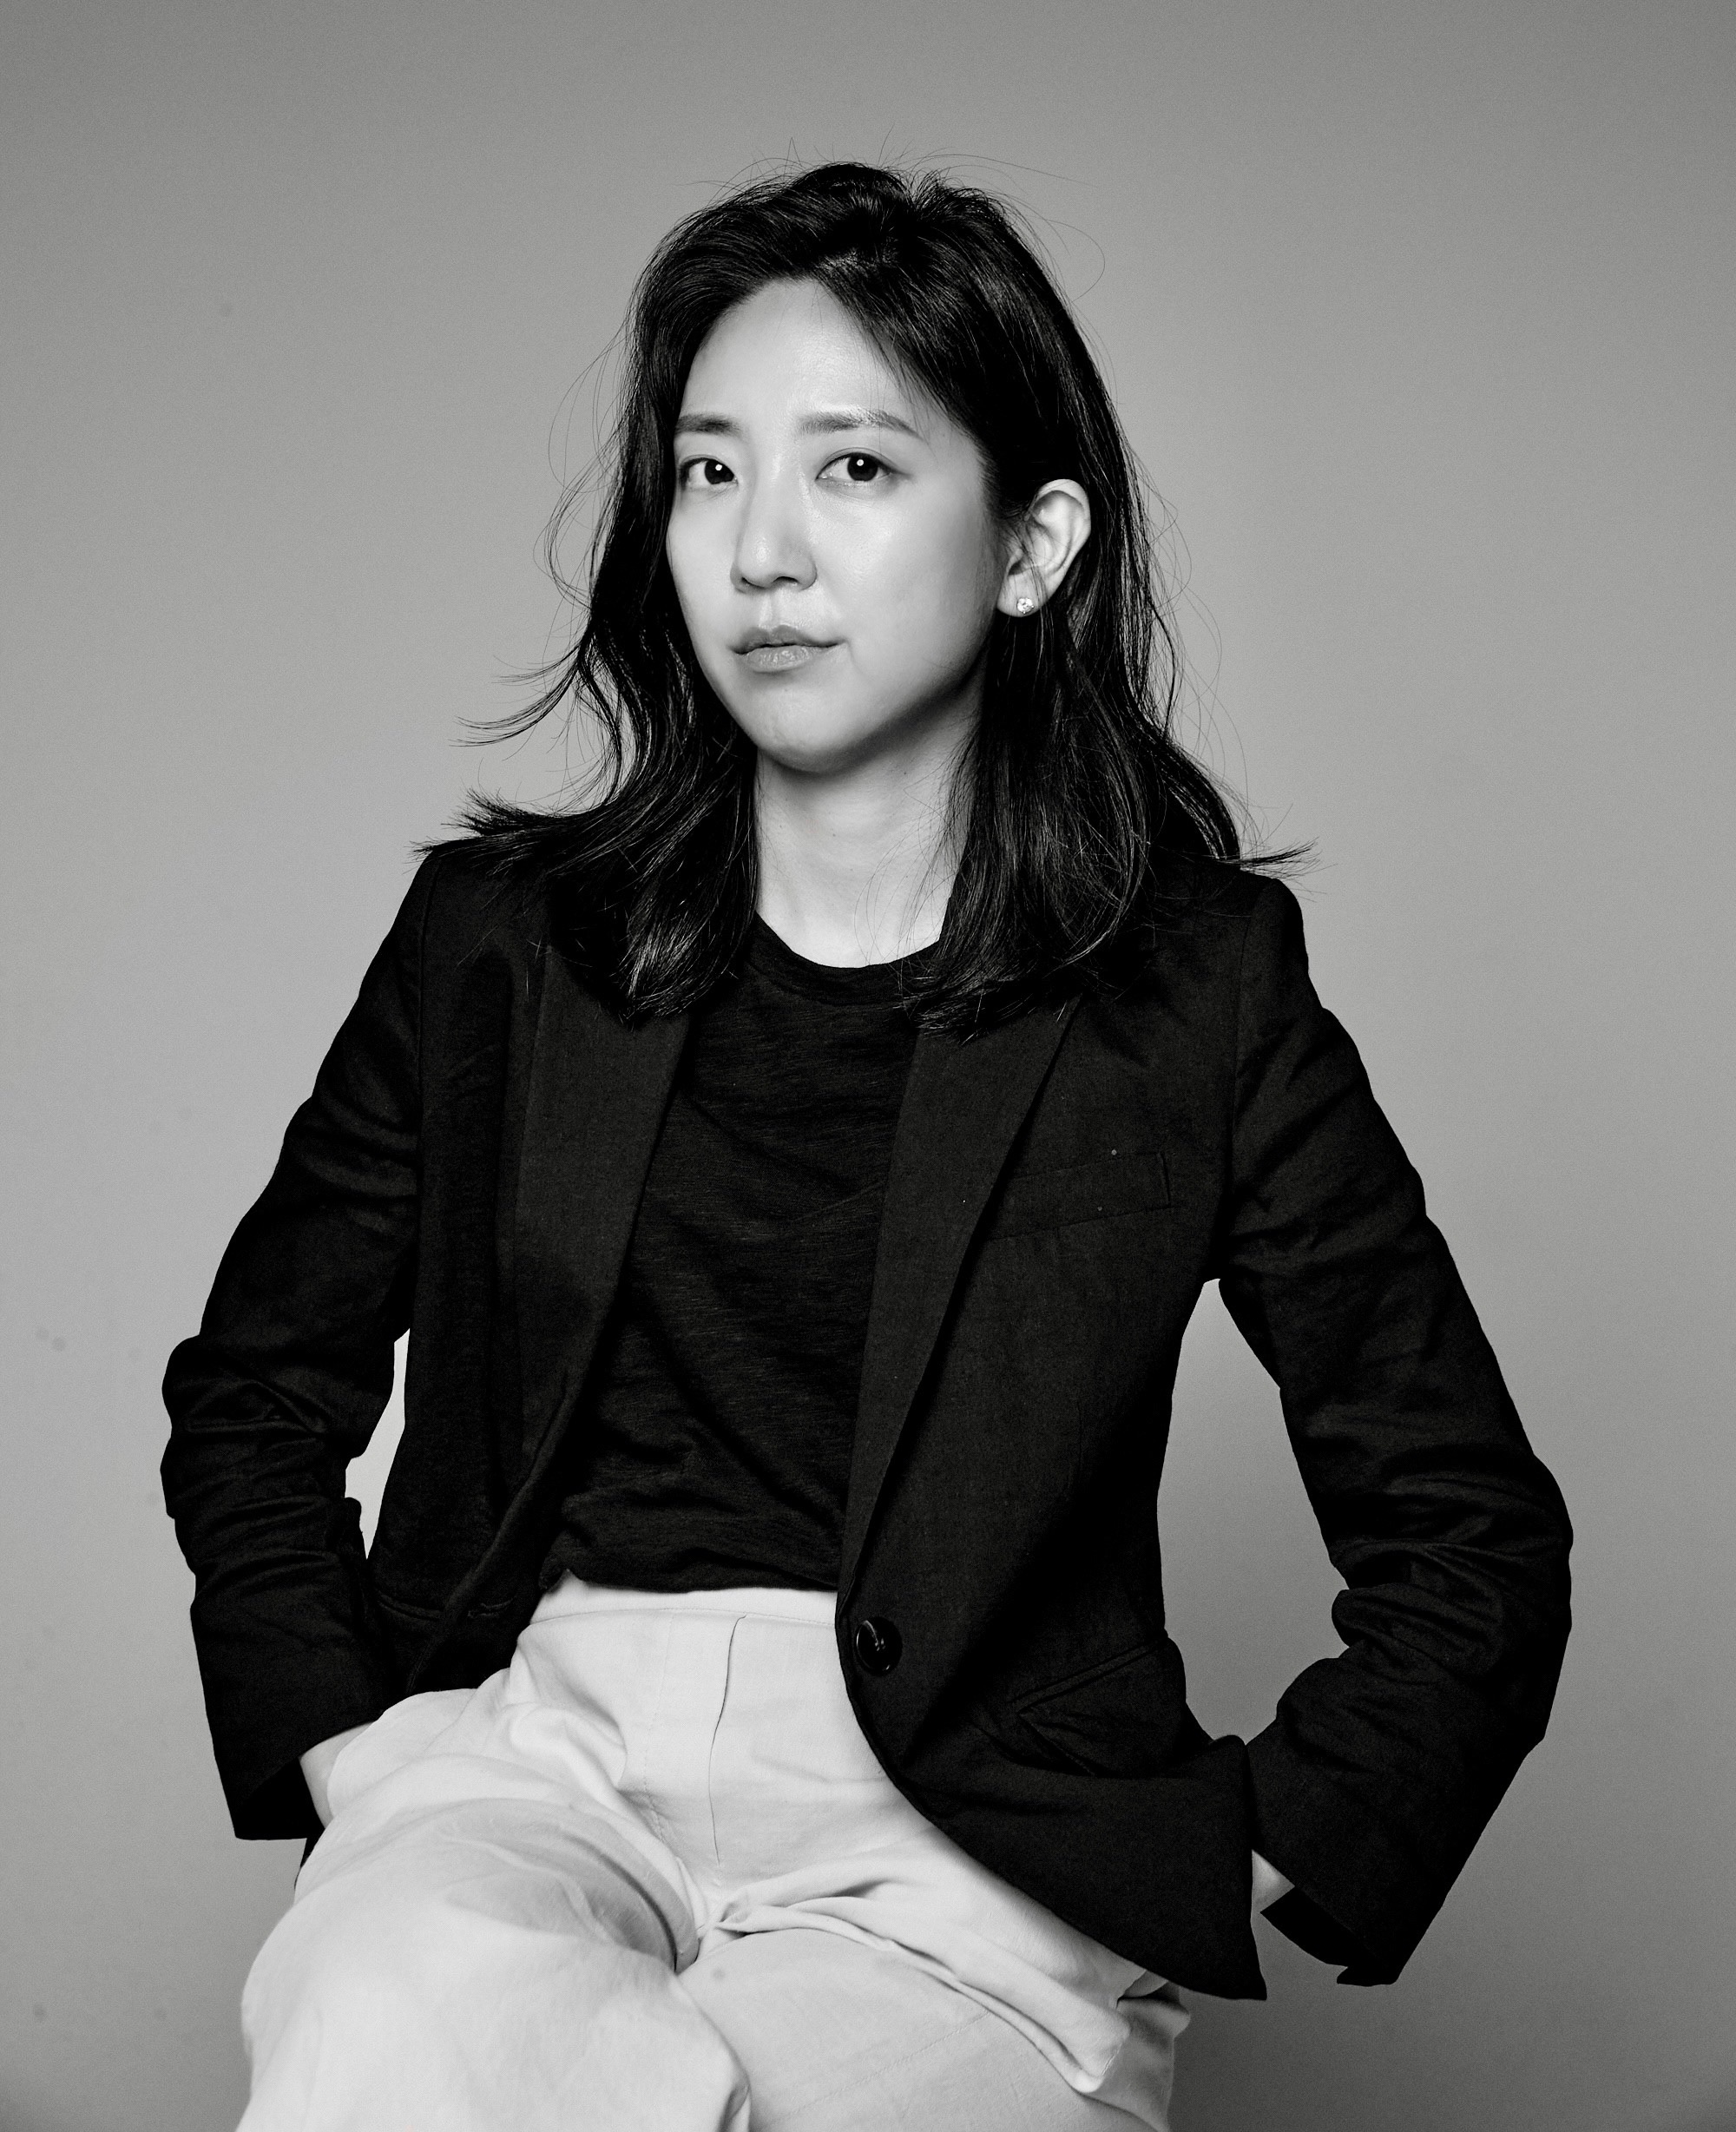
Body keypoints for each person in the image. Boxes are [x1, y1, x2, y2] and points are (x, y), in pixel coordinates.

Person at [161, 162, 1572, 2132]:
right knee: (382, 2025)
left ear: (1030, 546)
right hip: (537, 1763)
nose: (761, 553)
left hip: (971, 1835)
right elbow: (255, 1390)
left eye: (853, 469)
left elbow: (1467, 1530)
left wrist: (1232, 1858)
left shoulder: (1191, 993)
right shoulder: (502, 949)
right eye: (709, 472)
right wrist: (349, 1748)